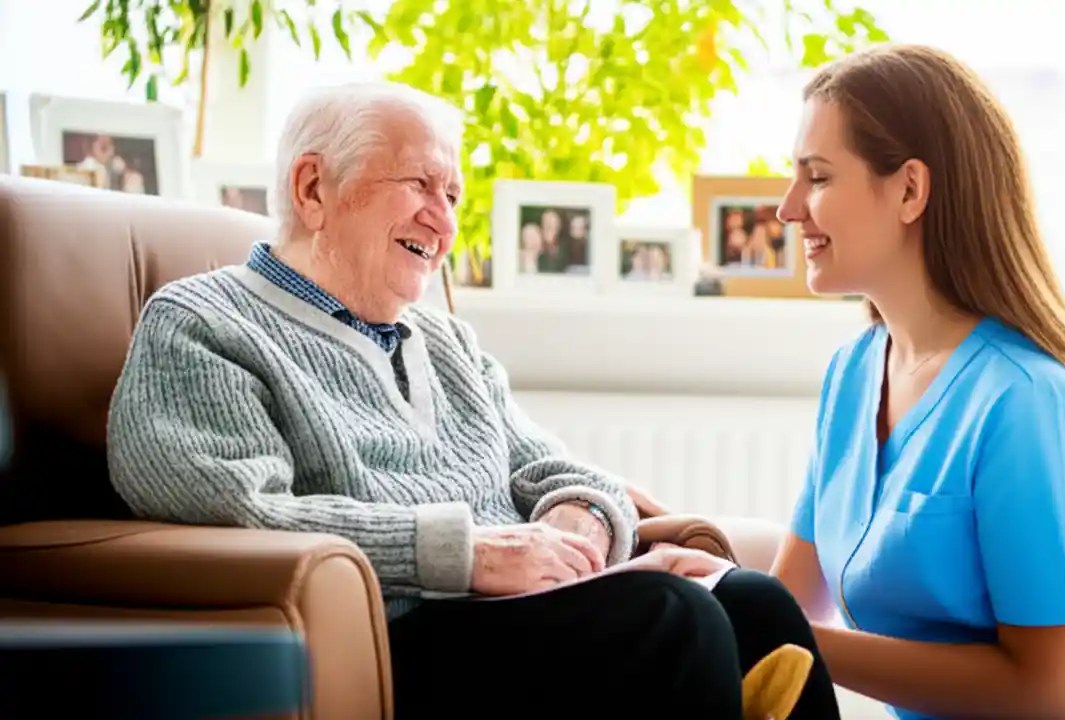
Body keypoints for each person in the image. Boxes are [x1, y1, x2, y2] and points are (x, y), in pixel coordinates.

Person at [105, 81, 840, 719]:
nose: (445, 220)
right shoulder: (201, 322)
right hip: (392, 636)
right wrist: (470, 555)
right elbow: (239, 510)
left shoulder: (443, 341)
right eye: (420, 185)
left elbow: (550, 467)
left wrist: (578, 533)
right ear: (312, 188)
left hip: (514, 614)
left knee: (756, 605)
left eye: (451, 196)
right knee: (673, 621)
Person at [771, 44, 1065, 720]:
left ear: (911, 189)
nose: (787, 209)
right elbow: (797, 594)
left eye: (817, 178)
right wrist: (700, 564)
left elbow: (1042, 693)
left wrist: (783, 638)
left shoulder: (1028, 403)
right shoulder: (855, 374)